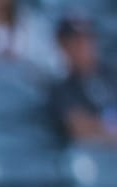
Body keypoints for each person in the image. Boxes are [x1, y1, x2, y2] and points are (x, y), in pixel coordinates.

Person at [50, 16, 117, 144]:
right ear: (63, 46)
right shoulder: (60, 88)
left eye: (88, 39)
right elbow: (81, 130)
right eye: (75, 41)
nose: (84, 46)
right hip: (93, 156)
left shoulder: (112, 73)